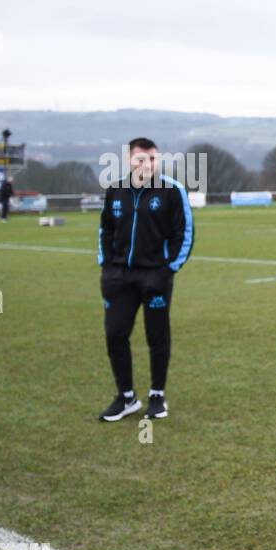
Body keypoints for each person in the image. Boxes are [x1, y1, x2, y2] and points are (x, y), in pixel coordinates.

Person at [97, 137, 195, 421]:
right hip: (120, 277)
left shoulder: (172, 191)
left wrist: (166, 271)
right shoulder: (115, 190)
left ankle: (157, 395)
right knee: (115, 333)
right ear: (129, 160)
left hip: (155, 277)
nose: (148, 164)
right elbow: (105, 230)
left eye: (153, 159)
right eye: (141, 159)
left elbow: (184, 234)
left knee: (157, 336)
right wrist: (107, 267)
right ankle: (126, 397)